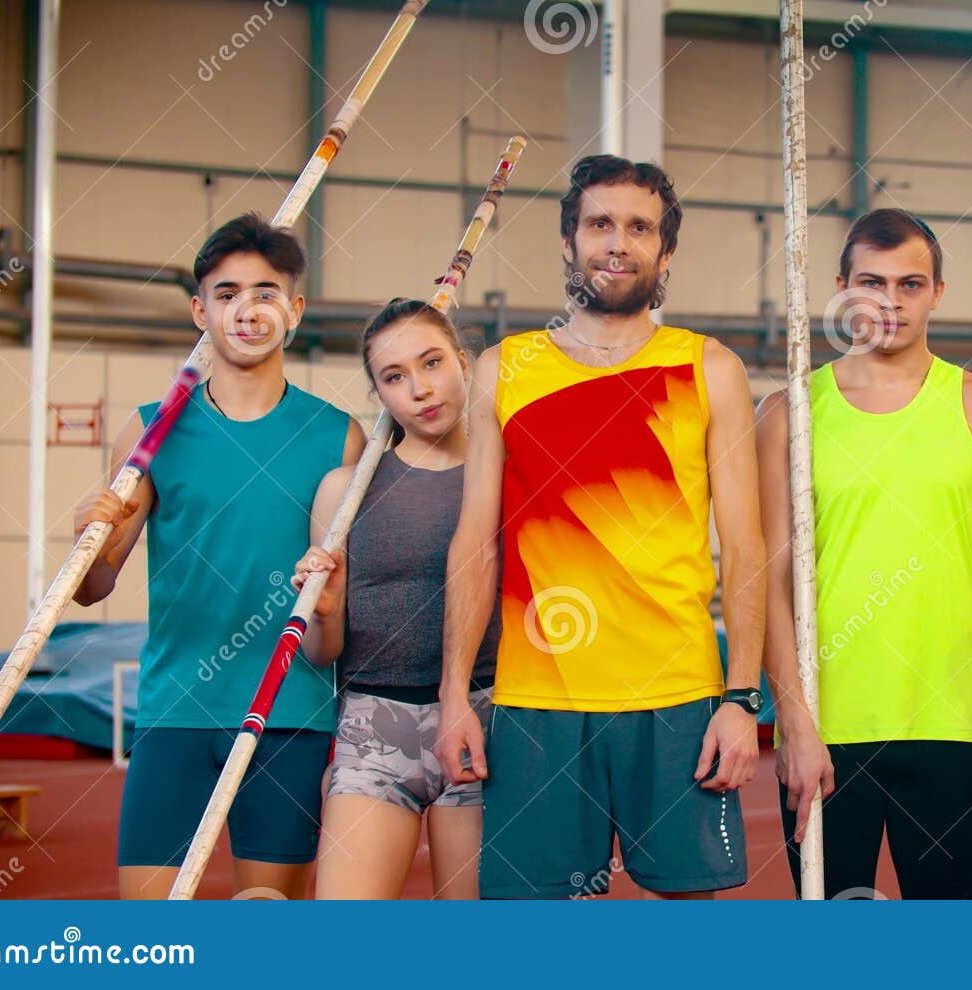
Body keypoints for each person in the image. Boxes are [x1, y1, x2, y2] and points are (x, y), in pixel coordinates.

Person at [435, 154, 765, 899]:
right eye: (600, 224)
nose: (618, 242)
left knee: (687, 932)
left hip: (676, 698)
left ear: (666, 252)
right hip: (539, 702)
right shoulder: (502, 368)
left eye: (639, 228)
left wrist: (742, 699)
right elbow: (474, 544)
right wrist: (456, 694)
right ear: (568, 241)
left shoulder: (710, 369)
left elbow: (746, 547)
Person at [72, 213, 364, 899]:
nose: (246, 308)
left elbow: (331, 637)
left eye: (266, 292)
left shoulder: (339, 437)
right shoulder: (150, 430)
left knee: (270, 929)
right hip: (176, 708)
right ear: (199, 311)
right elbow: (93, 586)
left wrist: (328, 606)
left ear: (293, 310)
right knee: (150, 934)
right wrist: (84, 537)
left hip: (289, 712)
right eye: (227, 293)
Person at [757, 208, 972, 899]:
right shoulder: (788, 414)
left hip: (951, 730)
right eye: (871, 284)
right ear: (841, 289)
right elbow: (768, 578)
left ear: (938, 291)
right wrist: (790, 718)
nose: (889, 303)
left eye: (910, 285)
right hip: (827, 728)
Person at [291, 299, 499, 899]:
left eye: (432, 363)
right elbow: (320, 653)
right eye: (395, 376)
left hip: (488, 721)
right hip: (373, 728)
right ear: (379, 395)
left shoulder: (514, 477)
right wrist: (323, 611)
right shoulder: (345, 491)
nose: (420, 388)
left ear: (463, 363)